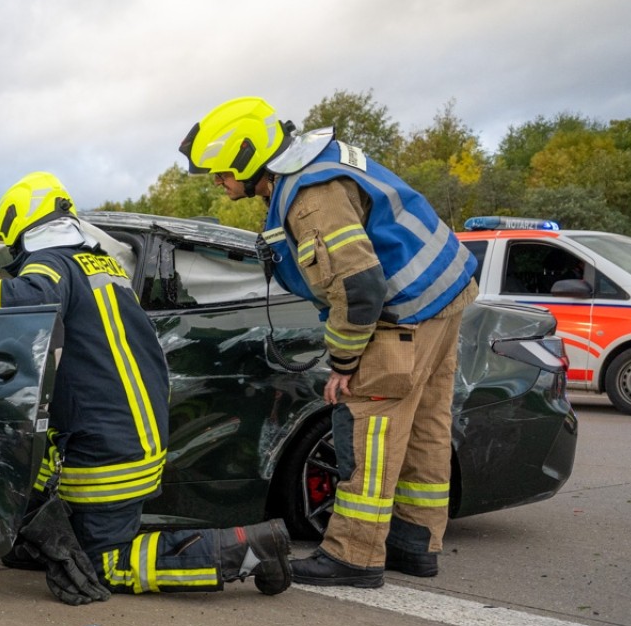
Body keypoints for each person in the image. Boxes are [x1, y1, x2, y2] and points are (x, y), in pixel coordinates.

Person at [0, 172, 292, 603]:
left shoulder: (52, 263)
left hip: (109, 441)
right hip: (128, 427)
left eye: (12, 246)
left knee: (108, 565)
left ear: (25, 229)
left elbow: (30, 295)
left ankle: (251, 549)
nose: (12, 256)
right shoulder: (99, 263)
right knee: (60, 500)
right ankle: (38, 544)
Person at [180, 97, 479, 587]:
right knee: (425, 430)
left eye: (220, 171)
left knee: (369, 437)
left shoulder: (310, 198)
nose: (217, 181)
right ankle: (415, 544)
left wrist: (344, 363)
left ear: (247, 158)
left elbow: (358, 287)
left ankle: (353, 556)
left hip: (401, 317)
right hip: (441, 300)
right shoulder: (322, 161)